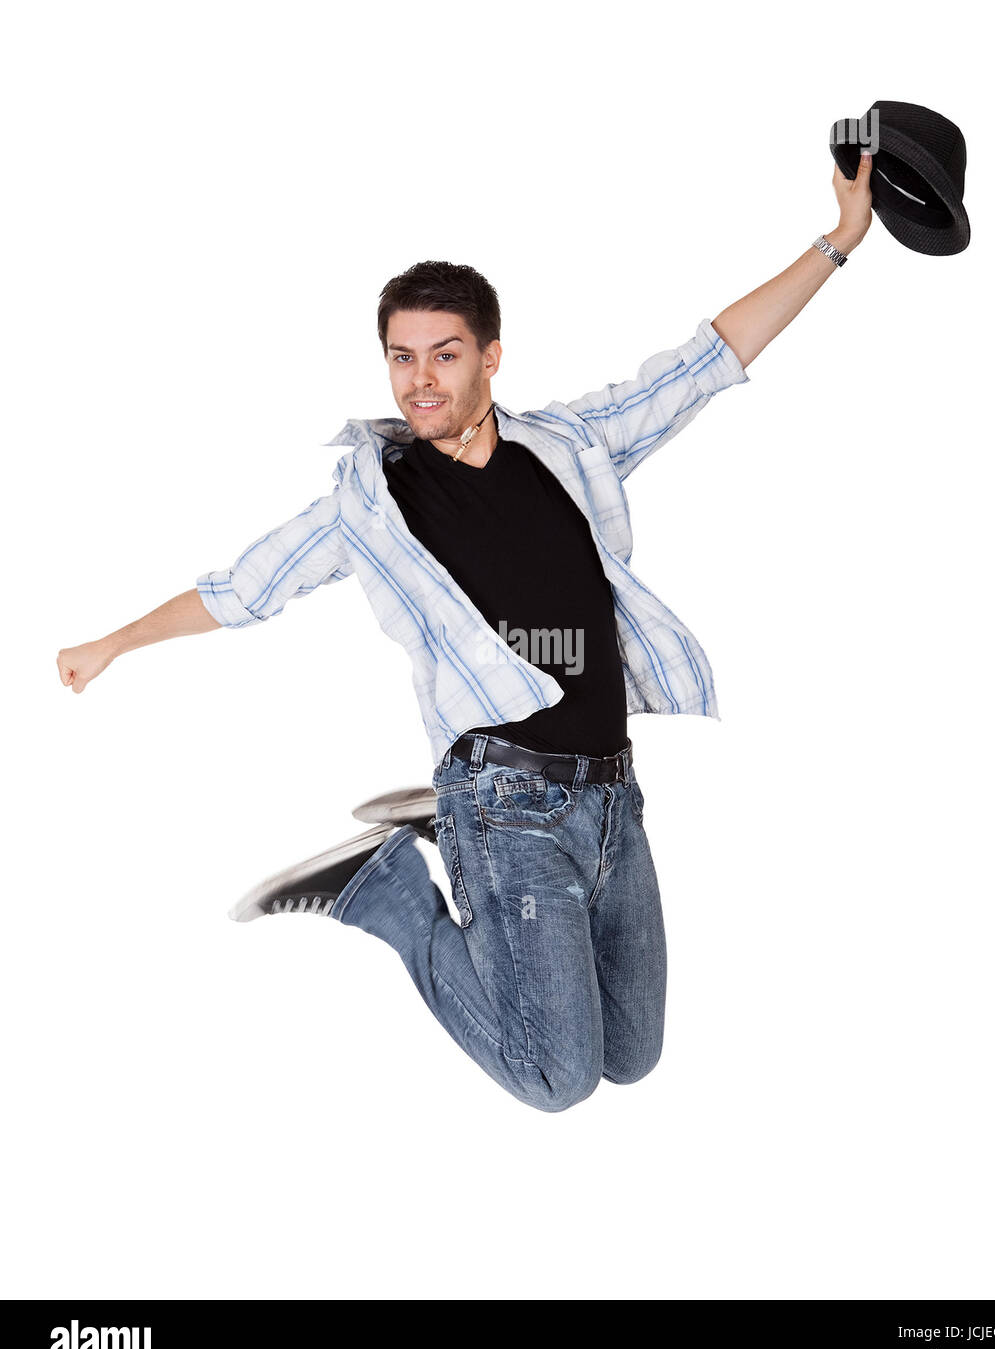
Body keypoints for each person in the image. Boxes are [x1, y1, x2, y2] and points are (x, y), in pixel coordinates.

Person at [56, 155, 875, 1112]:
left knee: (634, 1056)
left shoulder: (567, 444)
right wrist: (112, 641)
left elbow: (706, 363)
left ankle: (432, 839)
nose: (419, 379)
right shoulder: (370, 503)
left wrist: (839, 242)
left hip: (612, 793)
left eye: (443, 353)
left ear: (491, 355)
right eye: (400, 357)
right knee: (553, 1077)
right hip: (502, 797)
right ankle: (384, 890)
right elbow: (246, 587)